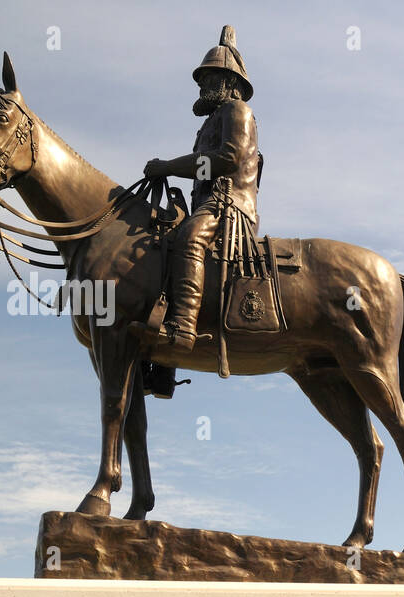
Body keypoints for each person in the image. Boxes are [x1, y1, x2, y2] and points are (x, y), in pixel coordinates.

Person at [139, 25, 261, 354]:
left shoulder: (238, 112)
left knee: (189, 238)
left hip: (228, 206)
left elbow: (227, 158)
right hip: (206, 205)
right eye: (201, 77)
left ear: (231, 82)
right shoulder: (210, 122)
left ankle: (182, 328)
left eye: (210, 77)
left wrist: (170, 167)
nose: (202, 83)